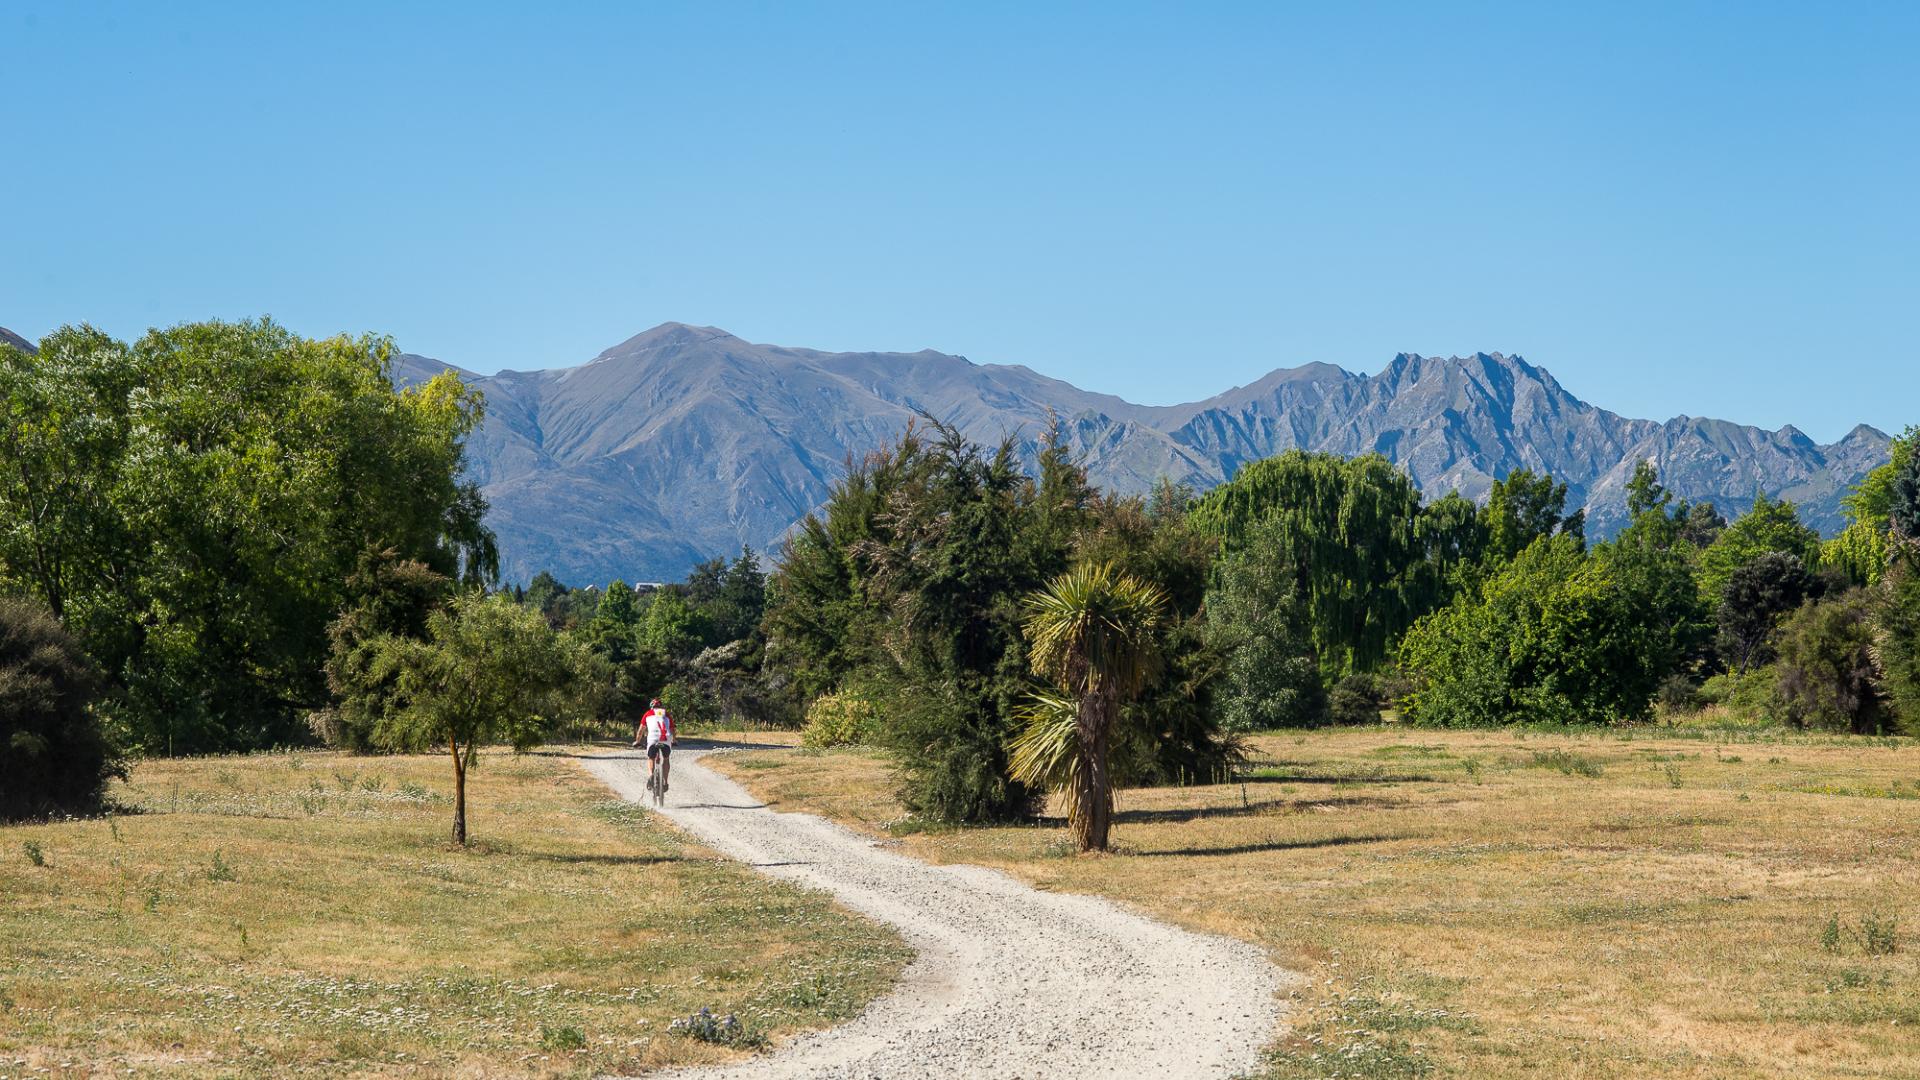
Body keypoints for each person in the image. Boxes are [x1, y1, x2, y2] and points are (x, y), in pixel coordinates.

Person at [633, 698, 676, 795]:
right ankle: (665, 782)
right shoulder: (667, 714)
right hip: (666, 738)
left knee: (651, 758)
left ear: (651, 707)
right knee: (666, 759)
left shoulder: (648, 713)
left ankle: (651, 775)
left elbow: (641, 731)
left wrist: (637, 741)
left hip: (653, 738)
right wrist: (674, 740)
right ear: (661, 706)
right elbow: (672, 729)